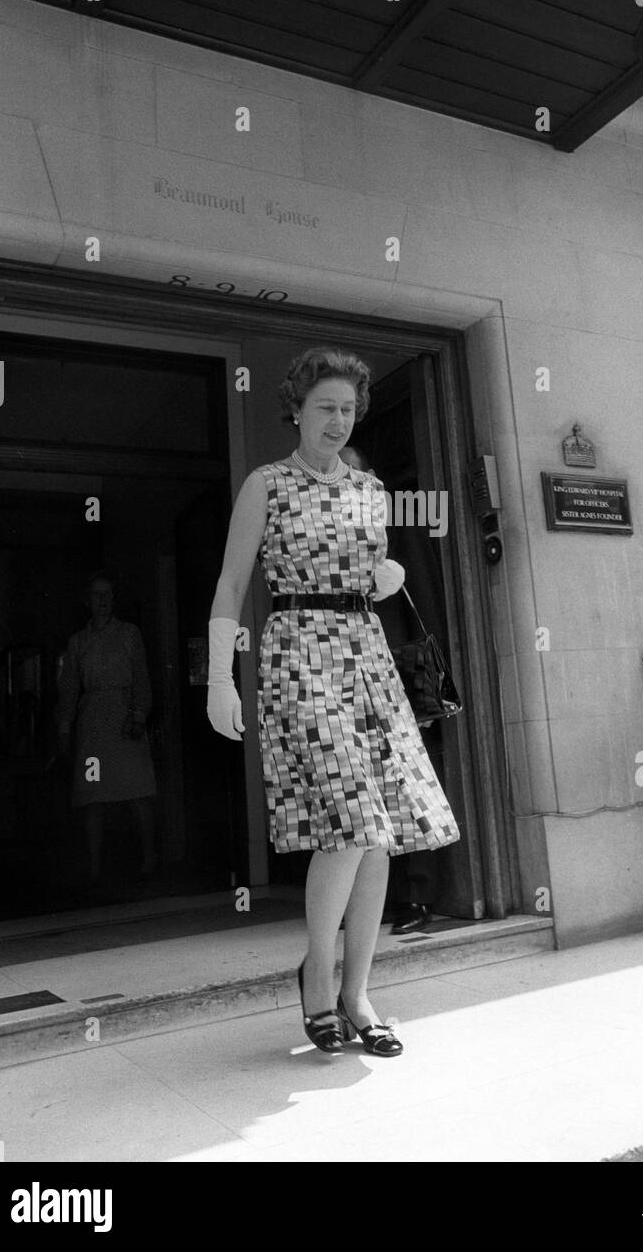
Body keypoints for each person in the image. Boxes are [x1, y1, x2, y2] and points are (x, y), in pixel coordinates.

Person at [207, 348, 460, 1056]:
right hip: (298, 649)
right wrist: (221, 677)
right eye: (325, 407)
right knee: (348, 820)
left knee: (379, 832)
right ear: (296, 407)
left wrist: (384, 573)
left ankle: (357, 992)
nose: (337, 421)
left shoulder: (373, 490)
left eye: (348, 409)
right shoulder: (268, 483)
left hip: (365, 653)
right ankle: (317, 973)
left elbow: (371, 572)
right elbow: (231, 585)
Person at [339, 444, 443, 936]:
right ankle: (362, 903)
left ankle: (416, 897)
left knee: (404, 785)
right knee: (355, 788)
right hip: (339, 675)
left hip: (396, 670)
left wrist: (426, 677)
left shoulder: (394, 526)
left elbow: (419, 598)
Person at [57, 572, 158, 881]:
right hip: (93, 726)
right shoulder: (78, 642)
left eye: (108, 594)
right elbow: (70, 687)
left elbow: (141, 677)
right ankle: (95, 865)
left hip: (125, 719)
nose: (102, 601)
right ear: (87, 601)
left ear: (115, 599)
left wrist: (139, 716)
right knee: (93, 795)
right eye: (96, 595)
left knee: (136, 791)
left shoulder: (129, 634)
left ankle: (150, 856)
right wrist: (64, 727)